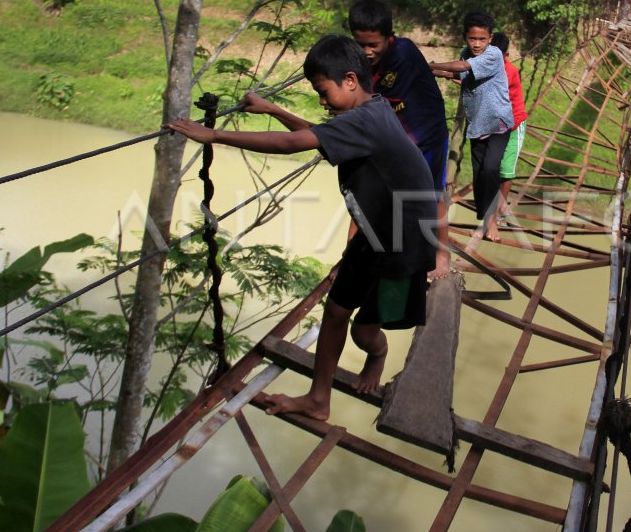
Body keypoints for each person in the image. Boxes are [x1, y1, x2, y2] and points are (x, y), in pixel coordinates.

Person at [165, 35, 436, 422]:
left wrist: (214, 135)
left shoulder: (367, 119)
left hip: (404, 242)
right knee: (336, 310)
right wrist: (272, 109)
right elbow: (317, 134)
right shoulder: (367, 112)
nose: (322, 102)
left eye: (323, 92)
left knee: (364, 332)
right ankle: (318, 400)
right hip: (375, 233)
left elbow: (294, 142)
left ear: (349, 80)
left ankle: (377, 354)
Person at [347, 0, 453, 279]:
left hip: (426, 137)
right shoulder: (358, 59)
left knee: (431, 194)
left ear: (389, 38)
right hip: (393, 139)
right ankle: (350, 256)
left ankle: (442, 253)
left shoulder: (403, 53)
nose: (367, 52)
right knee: (364, 194)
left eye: (374, 45)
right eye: (360, 44)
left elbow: (368, 100)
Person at [428, 11, 514, 244]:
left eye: (482, 39)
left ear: (491, 38)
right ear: (465, 37)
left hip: (499, 124)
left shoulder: (494, 54)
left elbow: (464, 66)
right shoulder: (466, 53)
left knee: (491, 169)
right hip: (477, 125)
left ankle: (492, 220)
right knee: (479, 175)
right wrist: (435, 71)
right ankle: (485, 219)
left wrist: (432, 65)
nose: (477, 44)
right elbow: (462, 72)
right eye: (472, 39)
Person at [491, 31, 527, 226]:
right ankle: (496, 207)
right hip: (497, 126)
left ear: (505, 56)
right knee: (493, 167)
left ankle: (499, 213)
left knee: (506, 170)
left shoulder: (509, 71)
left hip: (514, 125)